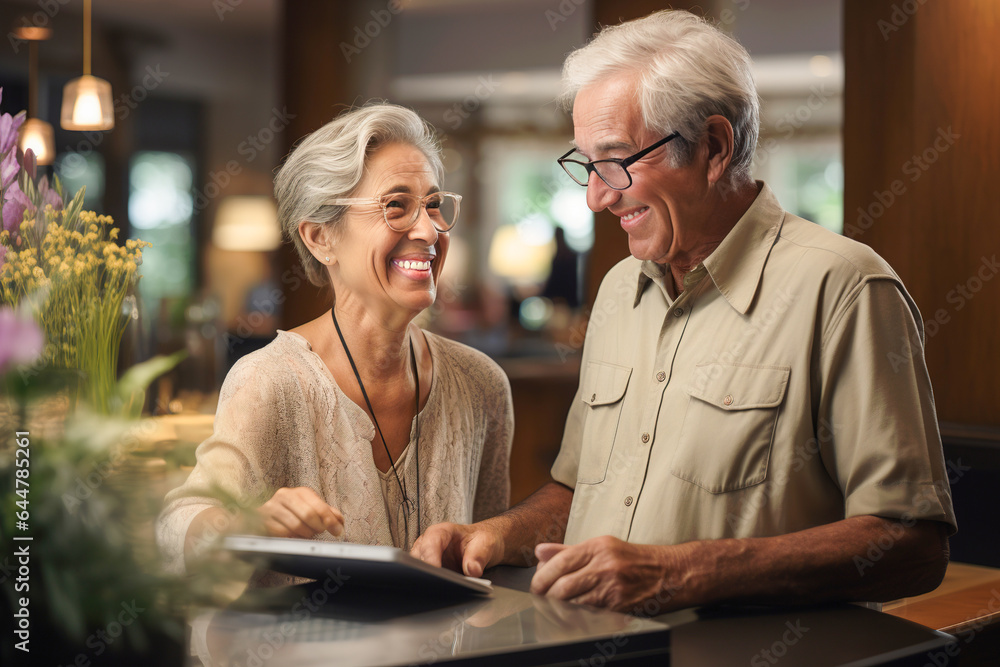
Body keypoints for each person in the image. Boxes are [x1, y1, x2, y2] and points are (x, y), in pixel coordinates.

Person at [412, 10, 956, 614]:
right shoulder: (620, 290)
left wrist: (689, 572)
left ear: (715, 147)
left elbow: (914, 543)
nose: (596, 197)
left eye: (617, 160)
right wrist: (496, 534)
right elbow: (579, 491)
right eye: (587, 166)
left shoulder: (845, 288)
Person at [157, 103, 513, 586]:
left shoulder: (481, 383)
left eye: (433, 204)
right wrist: (244, 527)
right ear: (321, 237)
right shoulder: (270, 380)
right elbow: (178, 525)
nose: (429, 230)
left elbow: (493, 566)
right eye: (396, 205)